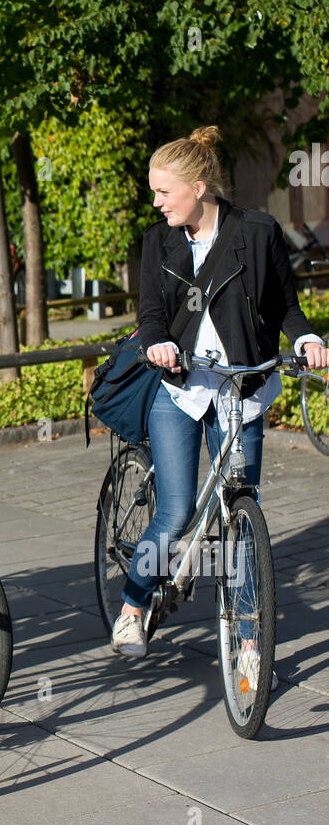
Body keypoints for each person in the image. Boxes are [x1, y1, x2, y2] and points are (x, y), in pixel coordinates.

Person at [111, 127, 329, 678]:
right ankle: (134, 604)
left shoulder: (256, 232)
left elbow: (287, 306)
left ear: (200, 186)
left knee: (243, 512)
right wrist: (158, 343)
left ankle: (251, 644)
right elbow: (151, 315)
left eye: (165, 192)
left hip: (242, 387)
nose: (156, 203)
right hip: (182, 388)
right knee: (176, 512)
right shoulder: (157, 242)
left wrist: (306, 339)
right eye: (155, 193)